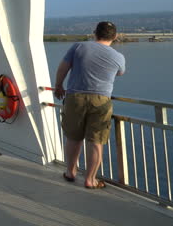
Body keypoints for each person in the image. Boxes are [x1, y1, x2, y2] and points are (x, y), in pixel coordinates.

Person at [54, 21, 125, 189]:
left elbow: (63, 68)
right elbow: (120, 72)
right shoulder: (118, 57)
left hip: (75, 97)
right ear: (114, 37)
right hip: (101, 101)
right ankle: (90, 180)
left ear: (95, 33)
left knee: (73, 138)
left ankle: (71, 172)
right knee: (96, 142)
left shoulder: (79, 47)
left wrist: (58, 86)